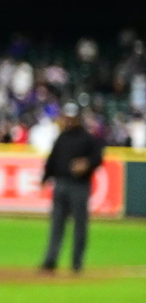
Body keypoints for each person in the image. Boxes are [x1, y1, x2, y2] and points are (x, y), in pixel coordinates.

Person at [40, 109, 105, 274]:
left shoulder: (88, 139)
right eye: (66, 118)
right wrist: (45, 177)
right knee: (57, 225)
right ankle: (50, 261)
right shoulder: (62, 137)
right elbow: (53, 159)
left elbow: (98, 157)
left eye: (71, 118)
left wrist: (87, 163)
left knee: (79, 226)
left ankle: (76, 263)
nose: (68, 121)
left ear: (78, 119)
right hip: (60, 184)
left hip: (79, 186)